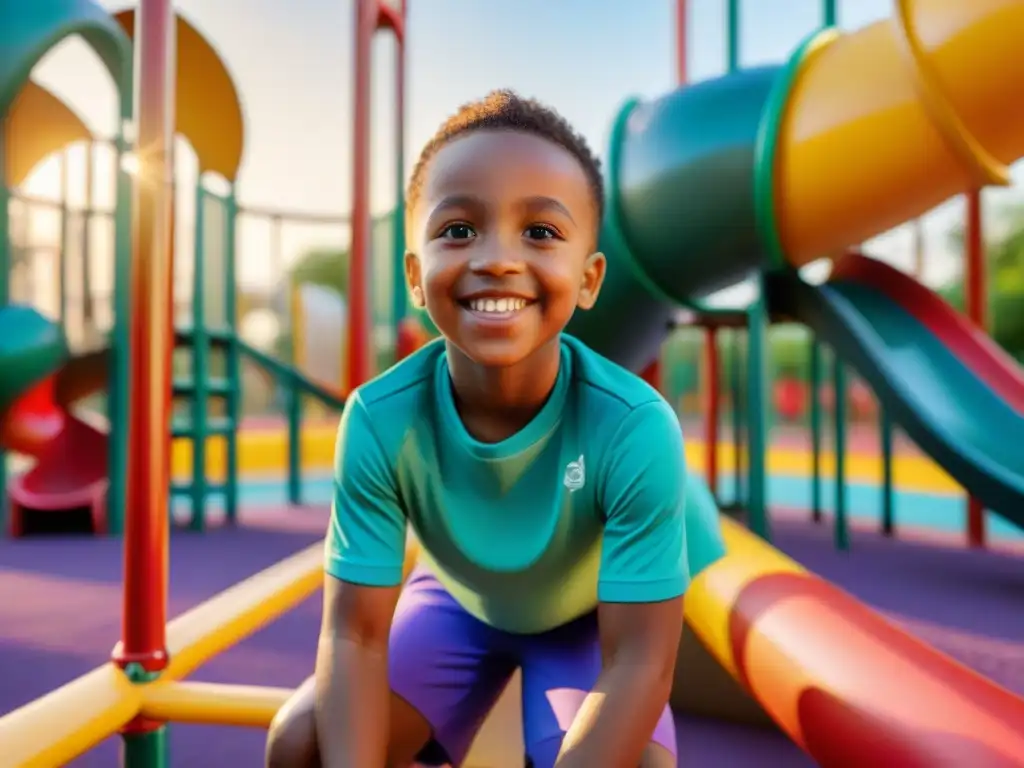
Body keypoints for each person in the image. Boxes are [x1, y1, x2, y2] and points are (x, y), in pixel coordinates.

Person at [266, 89, 717, 768]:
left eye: (540, 232)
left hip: (582, 621)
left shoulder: (632, 427)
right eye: (458, 229)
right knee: (300, 745)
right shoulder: (380, 419)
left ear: (589, 278)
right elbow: (354, 637)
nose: (498, 258)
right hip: (457, 603)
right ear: (416, 277)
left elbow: (638, 663)